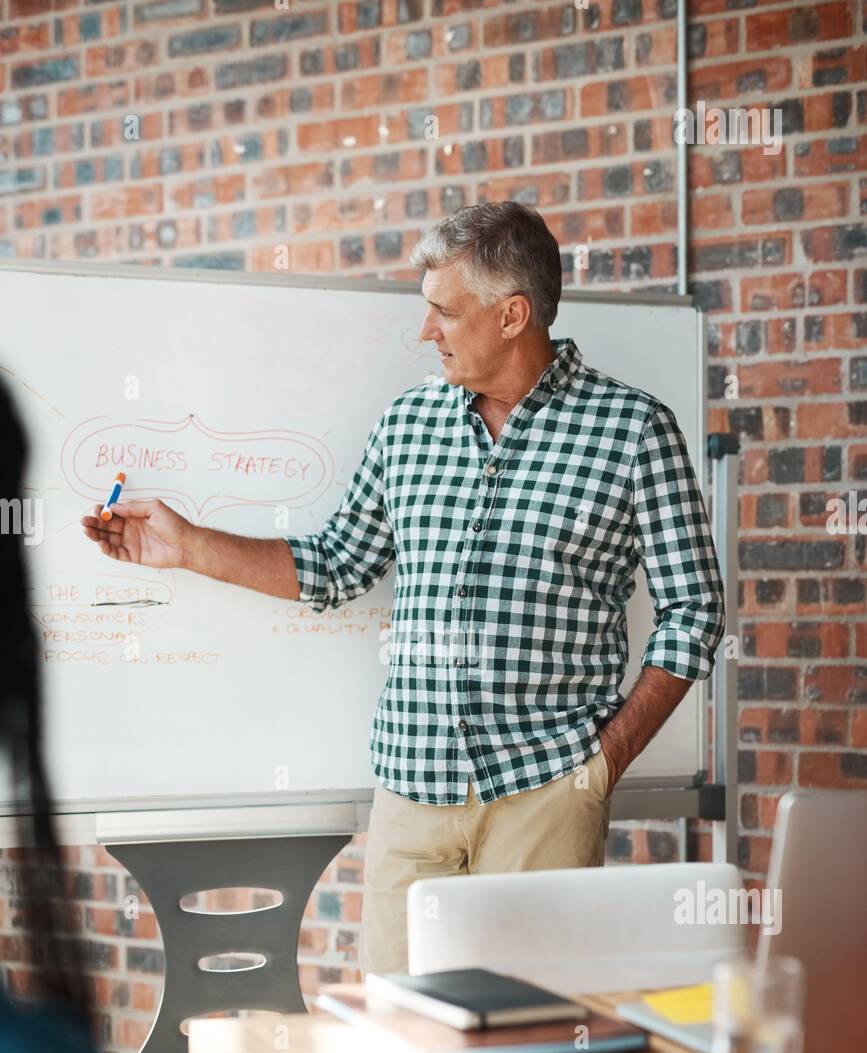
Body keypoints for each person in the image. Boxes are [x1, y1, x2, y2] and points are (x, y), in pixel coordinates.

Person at [81, 201, 726, 977]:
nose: (425, 331)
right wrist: (186, 547)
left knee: (534, 1030)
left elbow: (693, 608)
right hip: (410, 795)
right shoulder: (406, 425)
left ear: (512, 314)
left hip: (545, 789)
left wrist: (603, 762)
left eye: (444, 311)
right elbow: (334, 566)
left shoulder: (631, 430)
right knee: (398, 1032)